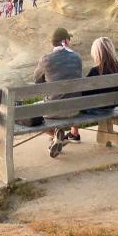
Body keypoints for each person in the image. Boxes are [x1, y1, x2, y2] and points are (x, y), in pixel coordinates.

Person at [33, 27, 83, 156]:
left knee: (30, 112)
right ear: (65, 41)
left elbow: (37, 81)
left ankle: (56, 134)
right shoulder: (77, 58)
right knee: (70, 95)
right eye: (69, 39)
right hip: (76, 109)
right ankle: (70, 134)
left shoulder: (46, 59)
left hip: (54, 110)